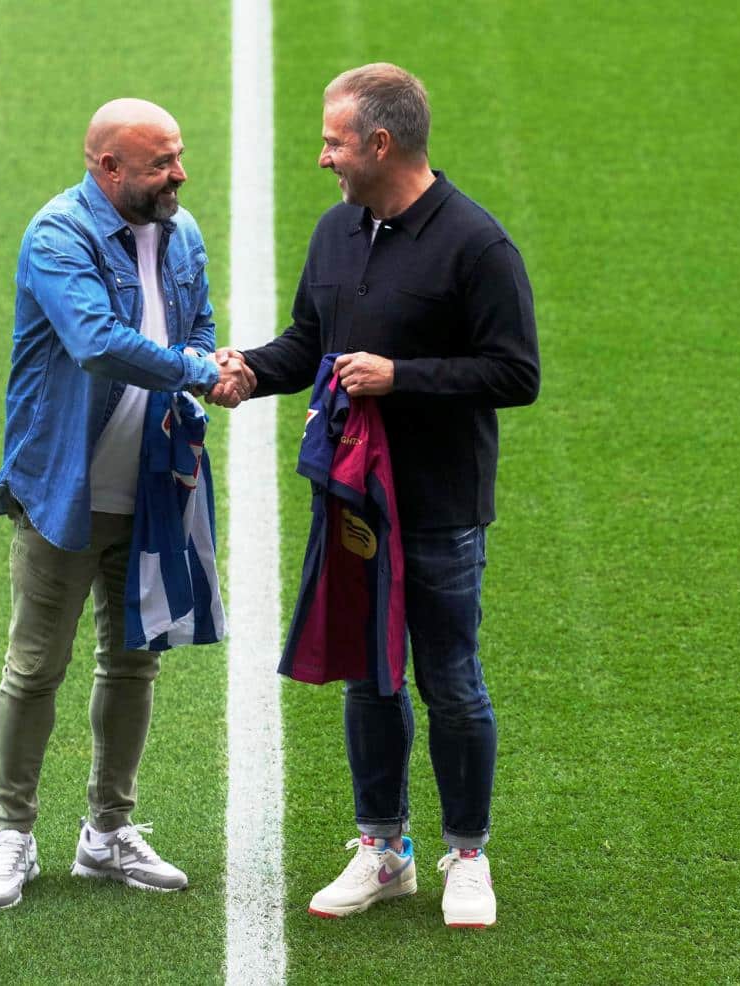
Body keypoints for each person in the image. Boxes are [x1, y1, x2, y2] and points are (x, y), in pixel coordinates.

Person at [220, 63, 539, 928]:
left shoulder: (477, 244)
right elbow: (309, 343)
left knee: (452, 680)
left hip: (437, 505)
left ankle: (466, 854)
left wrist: (402, 377)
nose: (323, 157)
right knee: (370, 676)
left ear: (381, 143)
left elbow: (516, 373)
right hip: (356, 500)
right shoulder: (336, 233)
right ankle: (382, 849)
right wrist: (251, 369)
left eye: (333, 141)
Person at [0, 98, 253, 910]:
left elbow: (198, 325)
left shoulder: (182, 231)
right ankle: (13, 834)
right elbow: (95, 342)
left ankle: (107, 832)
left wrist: (209, 358)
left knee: (135, 661)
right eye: (162, 162)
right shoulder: (58, 235)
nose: (180, 173)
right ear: (109, 169)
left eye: (179, 155)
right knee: (34, 669)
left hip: (152, 487)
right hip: (64, 489)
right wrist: (202, 372)